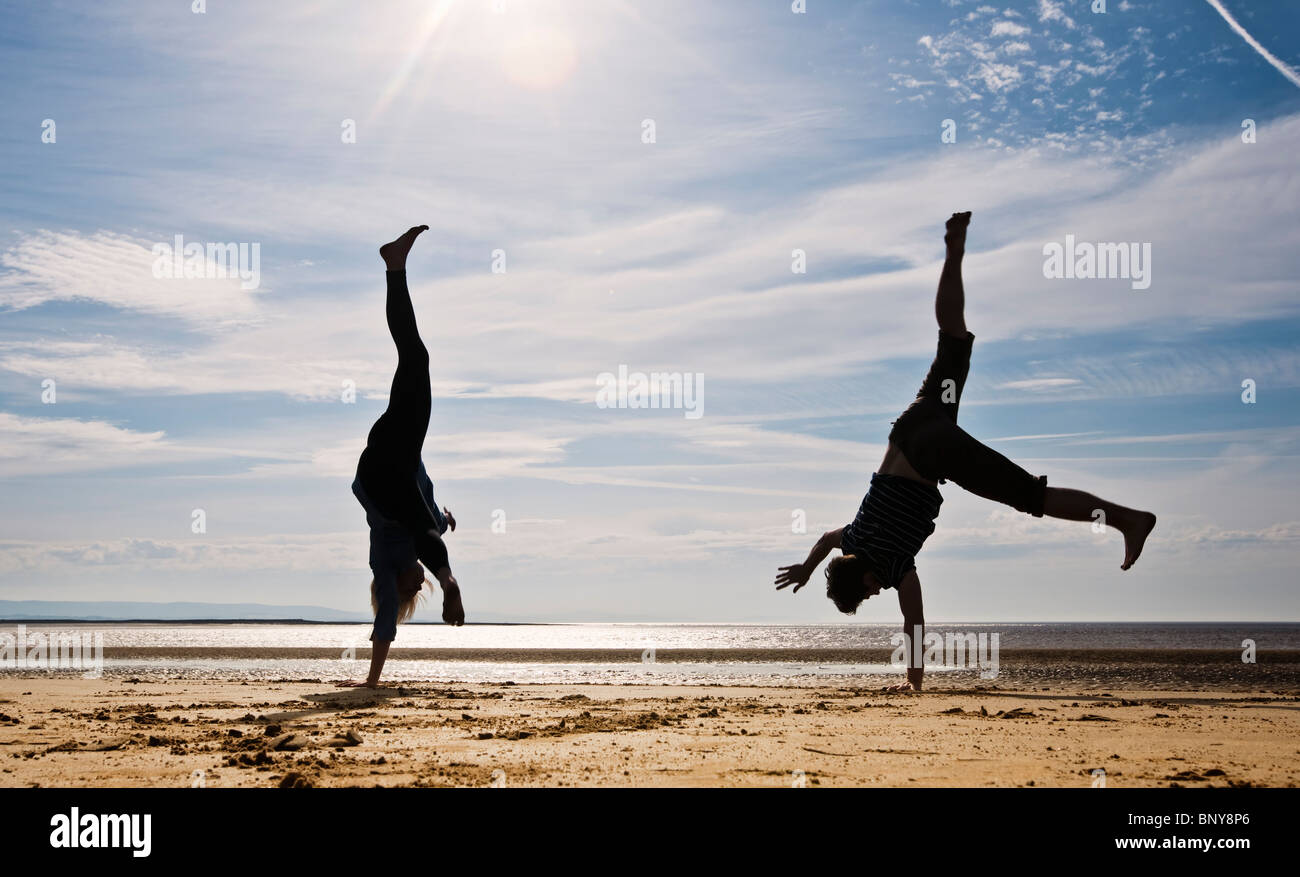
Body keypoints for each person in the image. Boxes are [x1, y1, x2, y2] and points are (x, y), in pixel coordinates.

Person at [775, 212, 1156, 691]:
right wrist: (807, 570)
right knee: (952, 338)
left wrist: (914, 685)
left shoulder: (892, 567)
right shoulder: (853, 540)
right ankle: (954, 251)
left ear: (867, 579)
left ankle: (1127, 519)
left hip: (936, 453)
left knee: (1032, 497)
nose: (876, 595)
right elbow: (828, 538)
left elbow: (915, 625)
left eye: (868, 594)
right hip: (915, 422)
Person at [342, 225, 465, 688]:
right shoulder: (419, 533)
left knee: (414, 358)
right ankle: (395, 265)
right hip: (393, 462)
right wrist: (440, 514)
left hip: (382, 476)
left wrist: (372, 684)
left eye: (415, 588)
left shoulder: (384, 565)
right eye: (423, 586)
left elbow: (386, 623)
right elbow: (425, 518)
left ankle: (395, 266)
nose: (417, 586)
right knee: (415, 357)